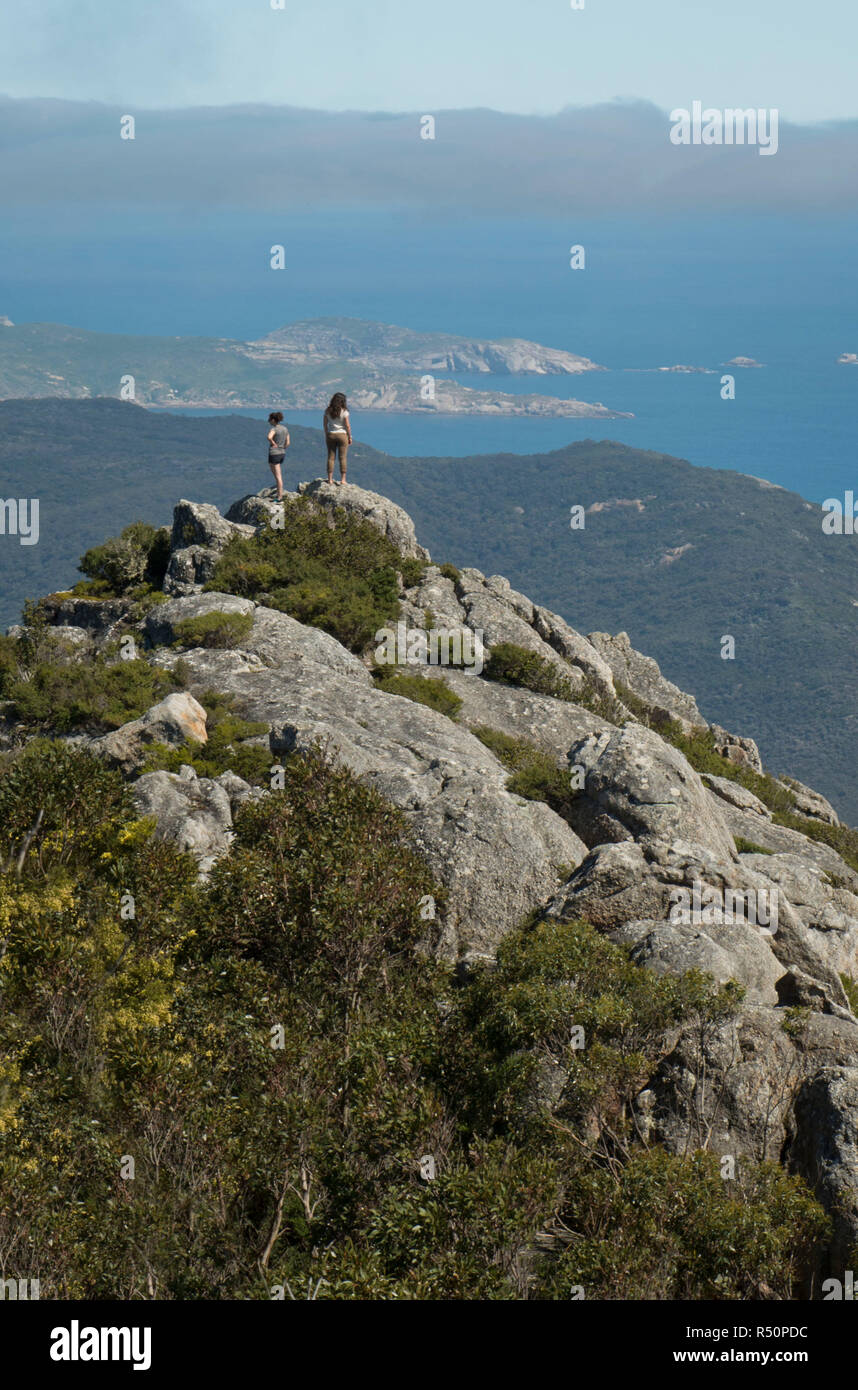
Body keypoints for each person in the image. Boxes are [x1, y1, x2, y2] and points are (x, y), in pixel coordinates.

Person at [323, 393, 352, 485]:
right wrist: (349, 436)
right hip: (342, 435)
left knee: (331, 457)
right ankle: (343, 480)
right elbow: (347, 426)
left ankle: (330, 479)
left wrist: (326, 433)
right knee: (342, 457)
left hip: (331, 435)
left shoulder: (328, 411)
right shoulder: (344, 412)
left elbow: (325, 424)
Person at [266, 411, 290, 501]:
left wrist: (273, 443)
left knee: (278, 476)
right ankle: (279, 494)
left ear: (273, 420)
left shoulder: (274, 429)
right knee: (278, 475)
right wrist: (282, 447)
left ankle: (279, 497)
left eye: (269, 420)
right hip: (282, 453)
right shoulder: (285, 429)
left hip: (274, 453)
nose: (269, 421)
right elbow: (288, 443)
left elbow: (269, 437)